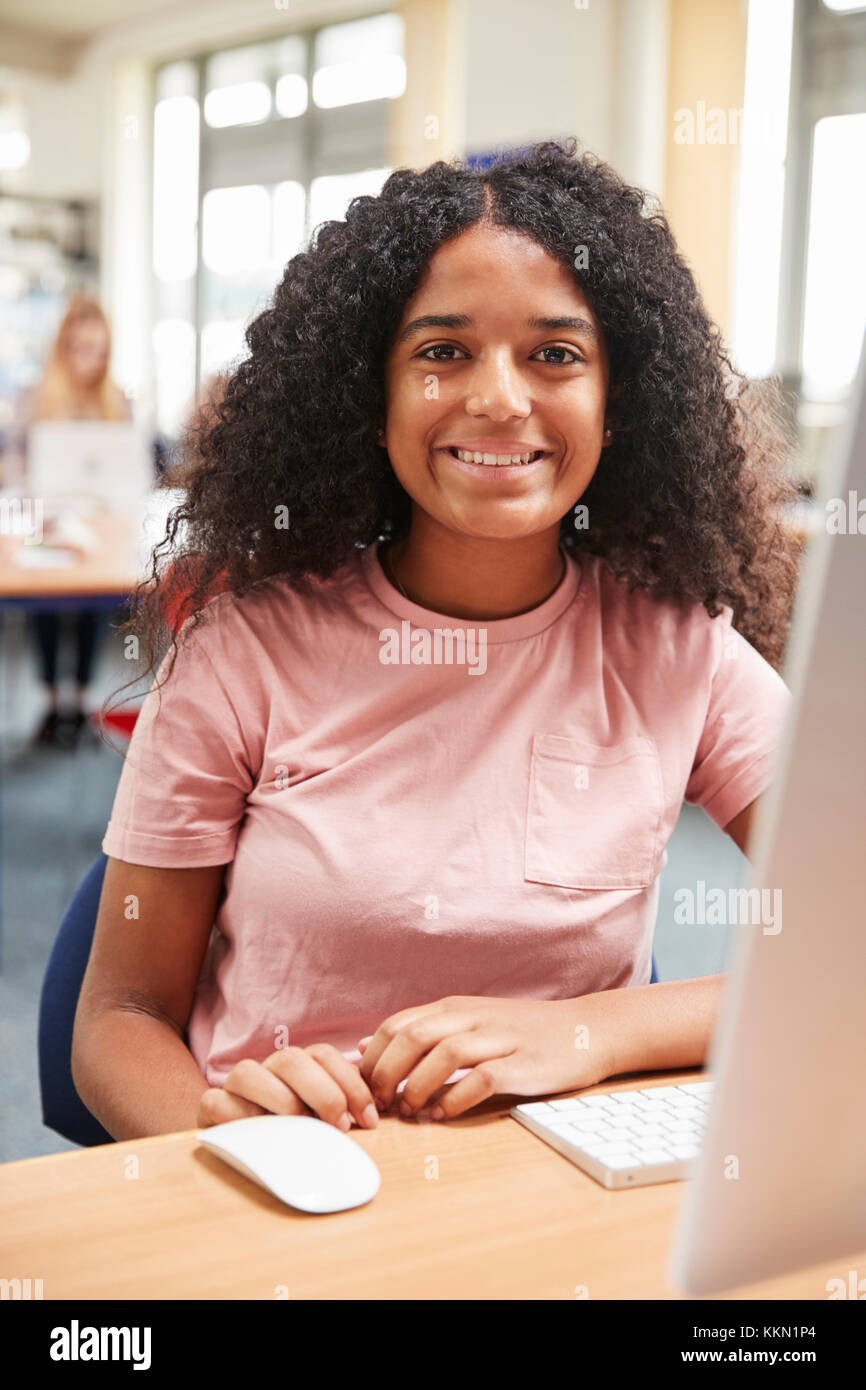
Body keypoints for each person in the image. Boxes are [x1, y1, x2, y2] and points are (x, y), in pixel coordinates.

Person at [72, 139, 803, 1142]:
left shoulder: (683, 652)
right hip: (285, 1202)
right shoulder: (242, 653)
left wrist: (590, 1031)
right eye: (441, 351)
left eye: (554, 354)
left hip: (556, 1198)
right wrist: (225, 1134)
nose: (499, 398)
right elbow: (119, 1021)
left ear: (615, 401)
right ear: (369, 401)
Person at [11, 295, 132, 748]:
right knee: (45, 603)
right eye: (80, 348)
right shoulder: (36, 398)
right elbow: (15, 467)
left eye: (98, 350)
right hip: (44, 523)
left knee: (89, 608)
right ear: (63, 347)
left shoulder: (115, 401)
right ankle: (49, 702)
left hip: (97, 527)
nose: (88, 361)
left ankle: (79, 704)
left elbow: (128, 470)